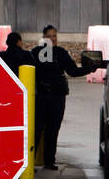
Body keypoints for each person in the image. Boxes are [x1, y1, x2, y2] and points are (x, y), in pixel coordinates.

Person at [30, 24, 89, 170]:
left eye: (54, 36)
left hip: (57, 97)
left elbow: (73, 71)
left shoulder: (61, 53)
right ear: (43, 38)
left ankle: (50, 161)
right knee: (37, 130)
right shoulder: (36, 53)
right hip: (41, 97)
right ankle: (29, 164)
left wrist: (90, 68)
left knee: (53, 129)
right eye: (49, 36)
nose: (52, 39)